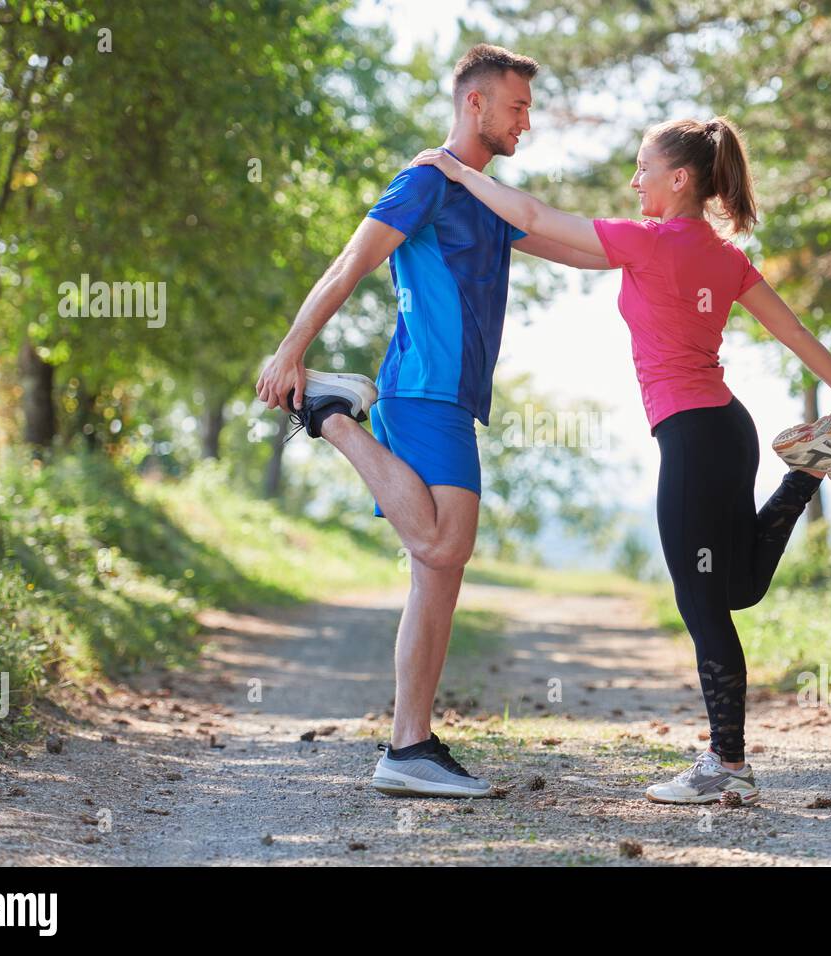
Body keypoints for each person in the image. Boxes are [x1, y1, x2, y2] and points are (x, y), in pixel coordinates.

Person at [410, 115, 831, 805]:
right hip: (728, 430)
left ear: (679, 178)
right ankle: (806, 470)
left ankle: (727, 765)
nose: (634, 181)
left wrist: (458, 173)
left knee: (704, 604)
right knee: (735, 590)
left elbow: (538, 213)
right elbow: (793, 330)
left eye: (643, 169)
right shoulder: (717, 255)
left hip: (693, 440)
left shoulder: (648, 243)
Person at [255, 44, 612, 798]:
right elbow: (350, 261)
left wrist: (658, 240)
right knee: (446, 542)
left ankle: (408, 746)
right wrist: (293, 349)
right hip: (423, 389)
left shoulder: (482, 195)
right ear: (475, 103)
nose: (528, 122)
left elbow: (575, 247)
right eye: (518, 107)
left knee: (436, 574)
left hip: (448, 397)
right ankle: (332, 416)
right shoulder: (425, 181)